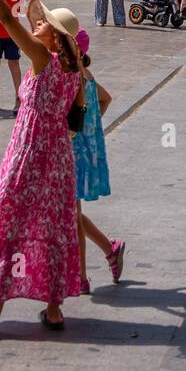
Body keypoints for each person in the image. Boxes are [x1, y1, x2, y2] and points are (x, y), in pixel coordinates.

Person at [0, 0, 84, 340]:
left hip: (28, 152)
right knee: (51, 226)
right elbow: (77, 118)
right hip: (59, 157)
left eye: (44, 22)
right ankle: (54, 309)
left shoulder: (41, 60)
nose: (38, 23)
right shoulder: (73, 66)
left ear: (55, 35)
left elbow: (7, 21)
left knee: (9, 222)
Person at [72, 27, 125, 292]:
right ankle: (109, 248)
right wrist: (91, 127)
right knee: (73, 213)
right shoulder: (87, 76)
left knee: (72, 214)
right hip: (84, 150)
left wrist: (79, 129)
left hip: (72, 153)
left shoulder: (76, 78)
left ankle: (81, 278)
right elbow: (106, 99)